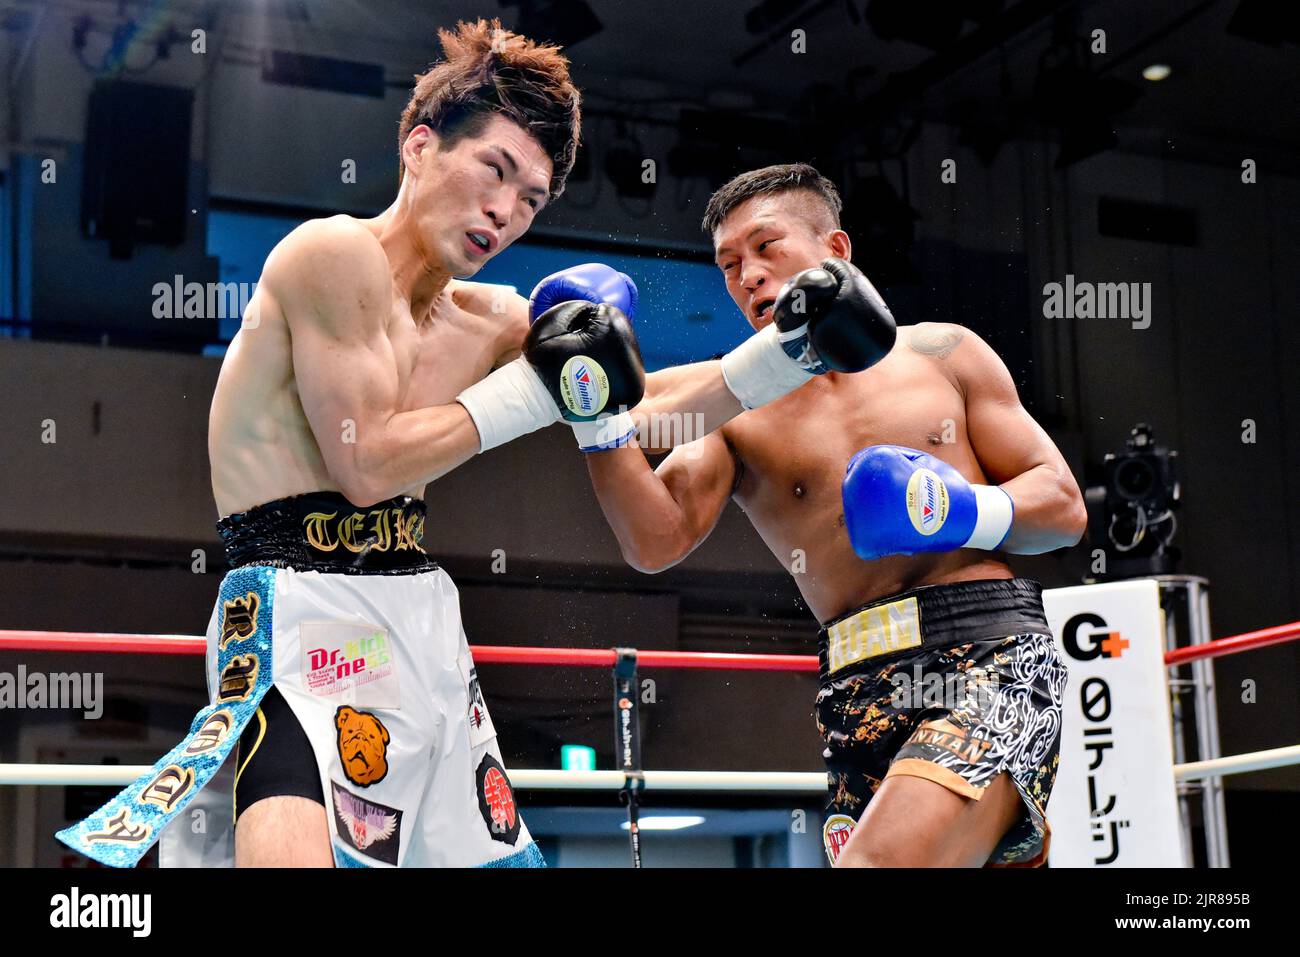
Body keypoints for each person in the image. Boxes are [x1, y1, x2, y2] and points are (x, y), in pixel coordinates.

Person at [57, 18, 647, 869]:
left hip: (421, 613)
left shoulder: (484, 319)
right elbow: (364, 463)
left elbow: (625, 396)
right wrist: (530, 390)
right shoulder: (330, 253)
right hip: (299, 616)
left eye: (531, 200)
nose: (506, 212)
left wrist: (781, 360)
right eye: (496, 170)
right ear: (419, 147)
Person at [584, 163, 1087, 867]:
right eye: (729, 265)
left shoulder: (944, 353)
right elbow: (654, 540)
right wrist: (592, 413)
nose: (748, 275)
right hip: (855, 688)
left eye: (766, 246)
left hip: (986, 652)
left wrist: (955, 509)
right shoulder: (730, 404)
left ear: (837, 249)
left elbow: (1063, 507)